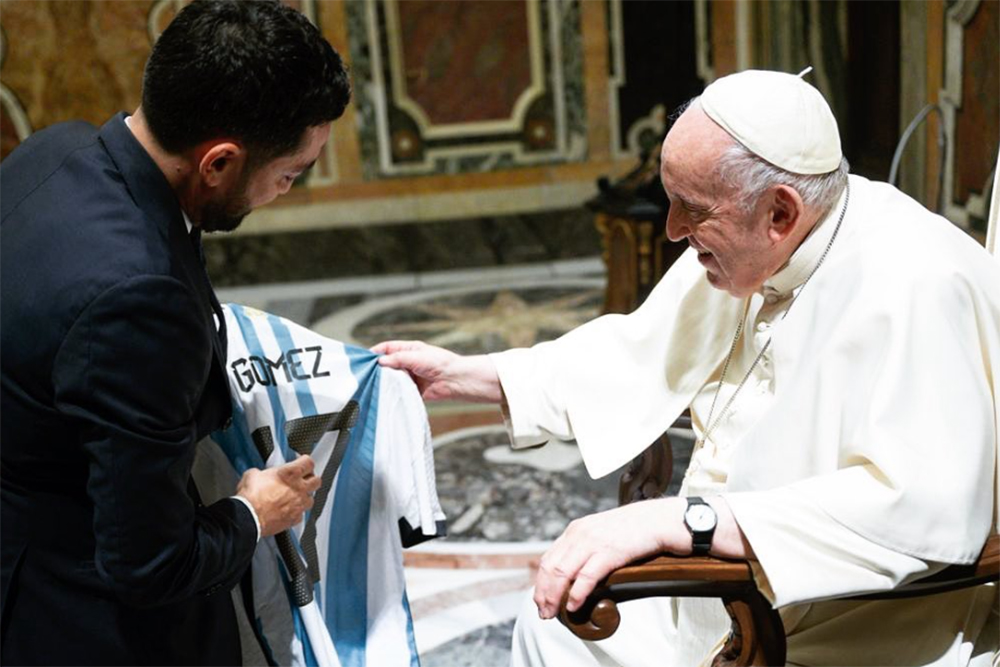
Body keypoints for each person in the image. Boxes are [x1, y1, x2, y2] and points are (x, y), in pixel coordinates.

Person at [375, 69, 1000, 667]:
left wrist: (682, 521)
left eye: (690, 209)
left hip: (846, 624)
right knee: (555, 634)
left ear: (779, 213)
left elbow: (920, 508)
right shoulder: (767, 237)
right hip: (733, 590)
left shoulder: (917, 283)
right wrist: (475, 376)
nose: (673, 231)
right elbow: (639, 351)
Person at [0, 1, 351, 664]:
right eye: (288, 174)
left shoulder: (62, 145)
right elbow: (151, 563)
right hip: (73, 612)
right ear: (217, 162)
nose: (282, 192)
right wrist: (253, 510)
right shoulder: (138, 300)